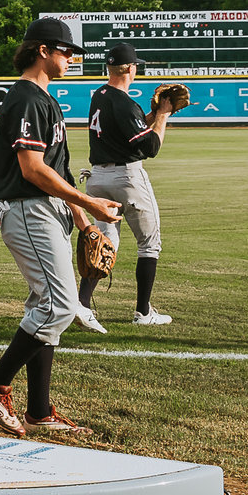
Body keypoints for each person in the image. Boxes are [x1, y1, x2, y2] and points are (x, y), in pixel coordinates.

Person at [0, 17, 121, 437]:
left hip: (47, 209)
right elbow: (32, 169)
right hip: (28, 208)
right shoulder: (26, 99)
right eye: (66, 51)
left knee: (45, 305)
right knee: (60, 305)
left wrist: (82, 217)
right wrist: (88, 200)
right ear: (43, 51)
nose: (72, 58)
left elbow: (58, 170)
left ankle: (39, 410)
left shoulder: (45, 100)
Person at [79, 41, 178, 327]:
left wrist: (146, 117)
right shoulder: (124, 101)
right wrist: (163, 115)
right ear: (131, 69)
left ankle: (83, 304)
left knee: (104, 243)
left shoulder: (100, 95)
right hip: (126, 177)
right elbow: (151, 147)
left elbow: (127, 129)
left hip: (97, 179)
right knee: (149, 243)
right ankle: (143, 312)